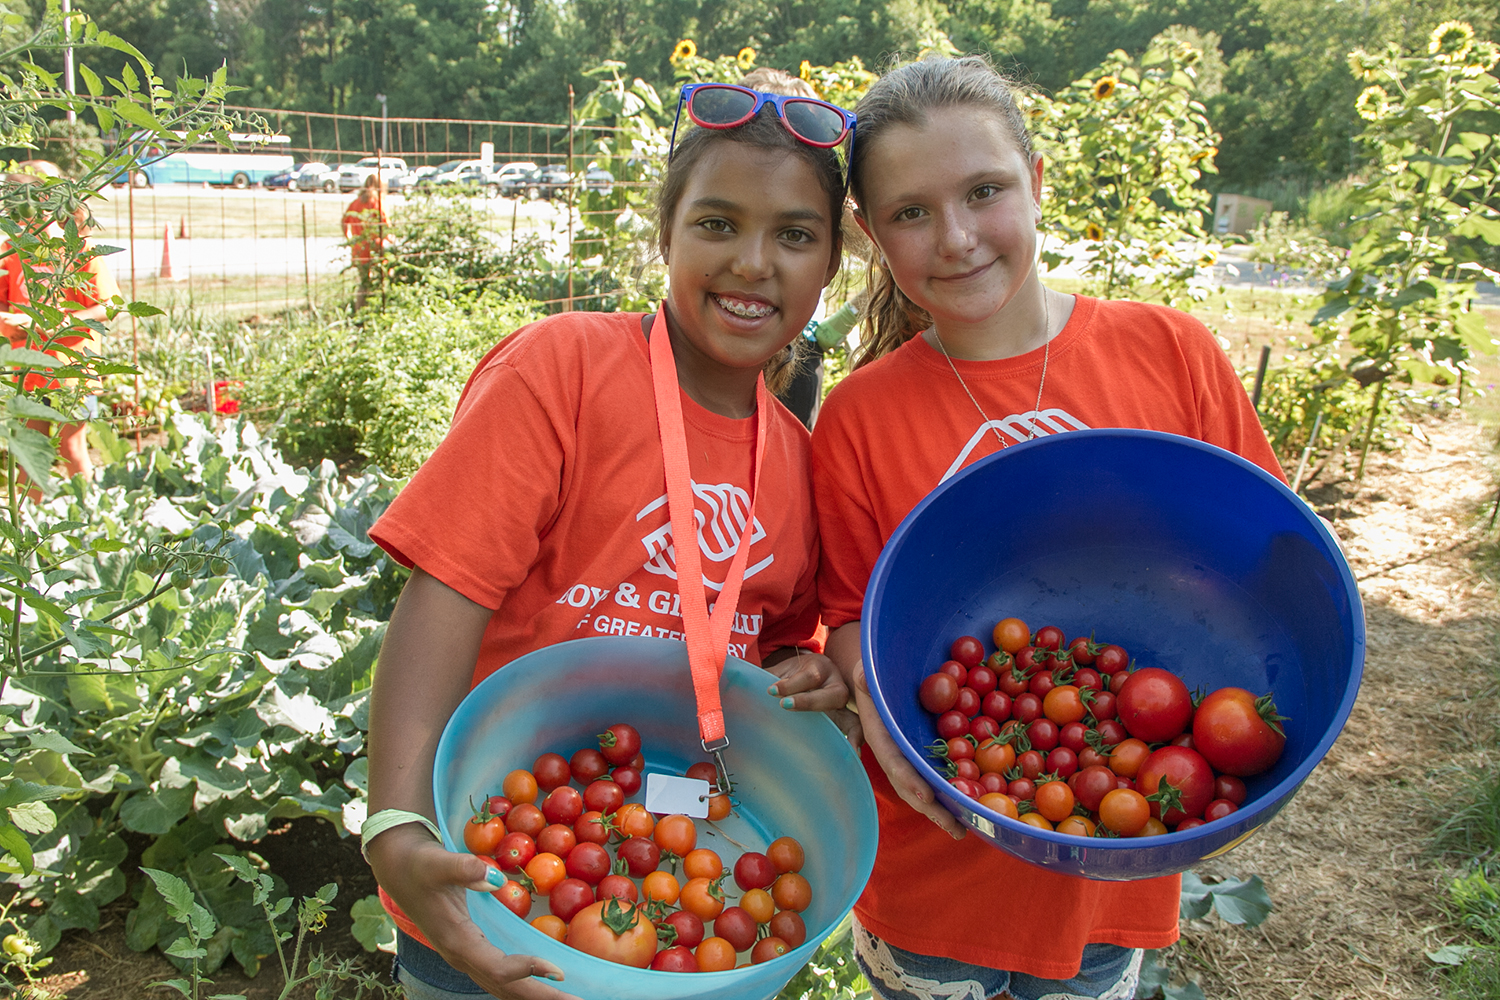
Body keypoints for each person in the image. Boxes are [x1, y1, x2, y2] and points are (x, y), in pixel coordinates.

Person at [361, 83, 858, 1000]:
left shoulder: (796, 457)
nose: (754, 263)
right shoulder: (563, 372)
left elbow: (778, 630)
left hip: (678, 883)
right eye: (717, 223)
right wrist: (396, 825)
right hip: (505, 864)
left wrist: (806, 668)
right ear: (665, 230)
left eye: (795, 235)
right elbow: (447, 590)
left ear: (831, 261)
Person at [810, 56, 1286, 1000]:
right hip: (938, 874)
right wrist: (863, 683)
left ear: (1037, 182)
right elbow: (849, 616)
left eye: (984, 191)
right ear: (869, 236)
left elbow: (1267, 561)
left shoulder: (1169, 354)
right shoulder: (859, 416)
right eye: (909, 212)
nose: (955, 238)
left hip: (1114, 853)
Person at [0, 191, 119, 481]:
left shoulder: (79, 251)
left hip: (71, 371)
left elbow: (110, 305)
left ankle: (90, 516)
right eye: (14, 213)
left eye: (30, 212)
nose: (23, 221)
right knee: (30, 451)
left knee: (71, 447)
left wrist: (52, 326)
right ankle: (29, 519)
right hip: (27, 371)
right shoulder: (13, 250)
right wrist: (6, 323)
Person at [343, 174, 388, 309]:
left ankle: (359, 311)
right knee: (383, 278)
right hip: (375, 247)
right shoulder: (376, 202)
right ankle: (378, 309)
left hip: (359, 248)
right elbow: (386, 226)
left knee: (364, 282)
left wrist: (350, 239)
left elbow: (344, 222)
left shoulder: (355, 202)